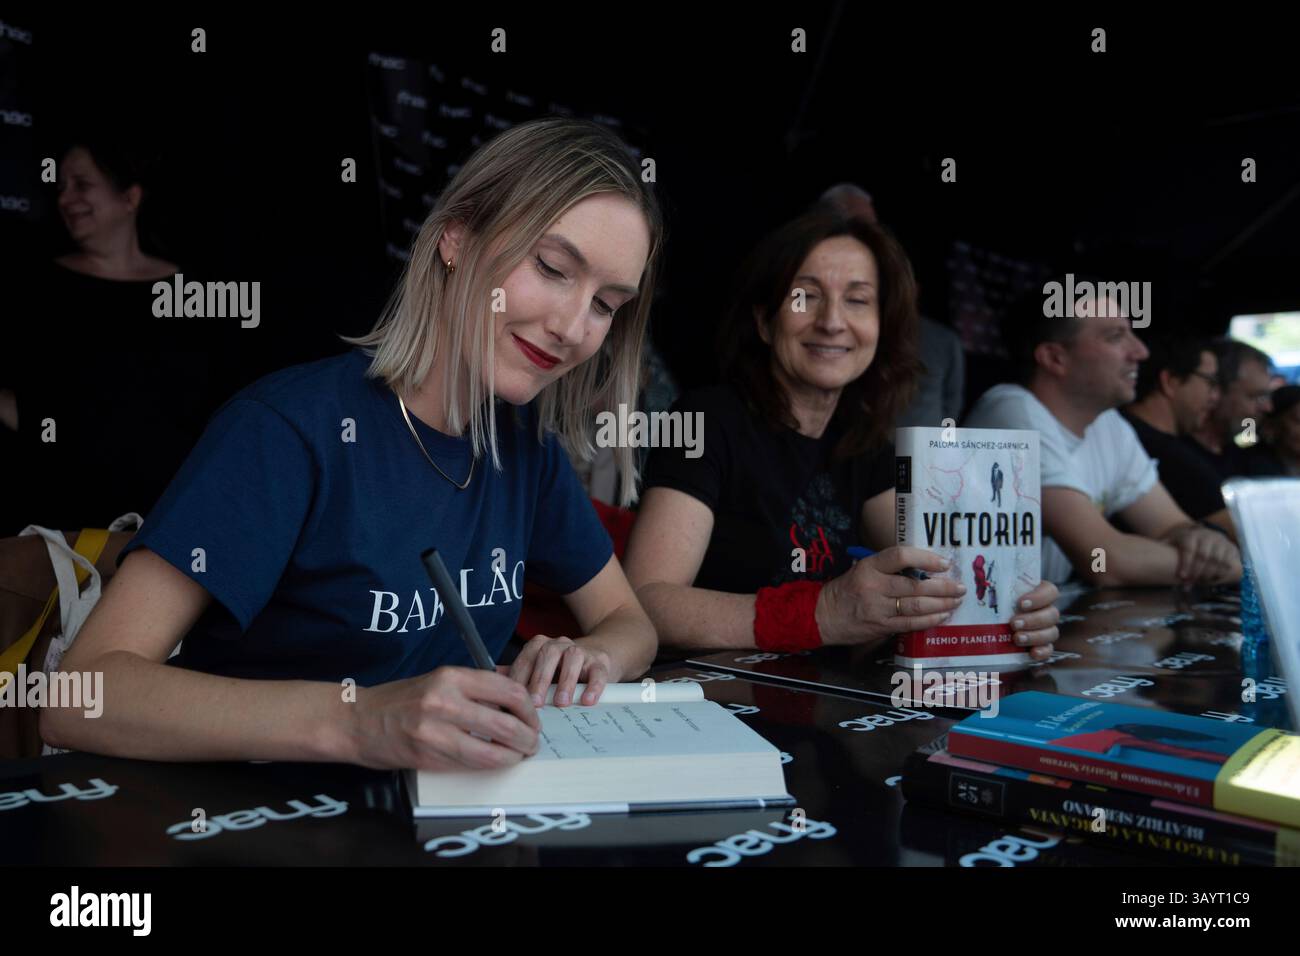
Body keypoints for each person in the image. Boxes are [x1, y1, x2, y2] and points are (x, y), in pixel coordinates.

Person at [44, 118, 663, 772]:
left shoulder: (525, 448)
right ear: (456, 236)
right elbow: (81, 697)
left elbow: (631, 621)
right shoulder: (286, 430)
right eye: (552, 267)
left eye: (607, 304)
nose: (574, 327)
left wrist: (594, 658)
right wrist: (362, 721)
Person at [624, 210, 1059, 657]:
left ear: (881, 325)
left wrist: (1012, 608)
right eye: (805, 297)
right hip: (712, 703)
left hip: (815, 704)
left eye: (857, 300)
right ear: (764, 322)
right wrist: (822, 613)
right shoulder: (707, 420)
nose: (832, 321)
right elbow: (645, 602)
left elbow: (944, 569)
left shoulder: (864, 442)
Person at [0, 131, 224, 536]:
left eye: (82, 184)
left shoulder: (193, 292)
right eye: (61, 187)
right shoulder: (37, 286)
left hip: (165, 525)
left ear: (130, 197)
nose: (66, 198)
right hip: (58, 522)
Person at [964, 288, 1241, 588]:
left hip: (1035, 619)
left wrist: (1201, 539)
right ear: (1055, 358)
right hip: (979, 625)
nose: (1141, 352)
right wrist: (1225, 564)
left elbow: (1170, 526)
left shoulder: (1106, 423)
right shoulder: (1011, 412)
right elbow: (1106, 560)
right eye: (1115, 337)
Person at [818, 183, 965, 428]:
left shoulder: (941, 340)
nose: (832, 324)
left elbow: (952, 404)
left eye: (859, 300)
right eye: (810, 295)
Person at [1121, 333, 1237, 542]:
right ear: (1171, 382)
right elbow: (1245, 535)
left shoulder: (1129, 433)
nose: (1215, 397)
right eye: (1210, 383)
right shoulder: (1160, 452)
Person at [1187, 338, 1274, 480]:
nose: (1267, 407)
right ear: (1216, 392)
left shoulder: (1244, 459)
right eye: (1255, 397)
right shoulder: (1181, 461)